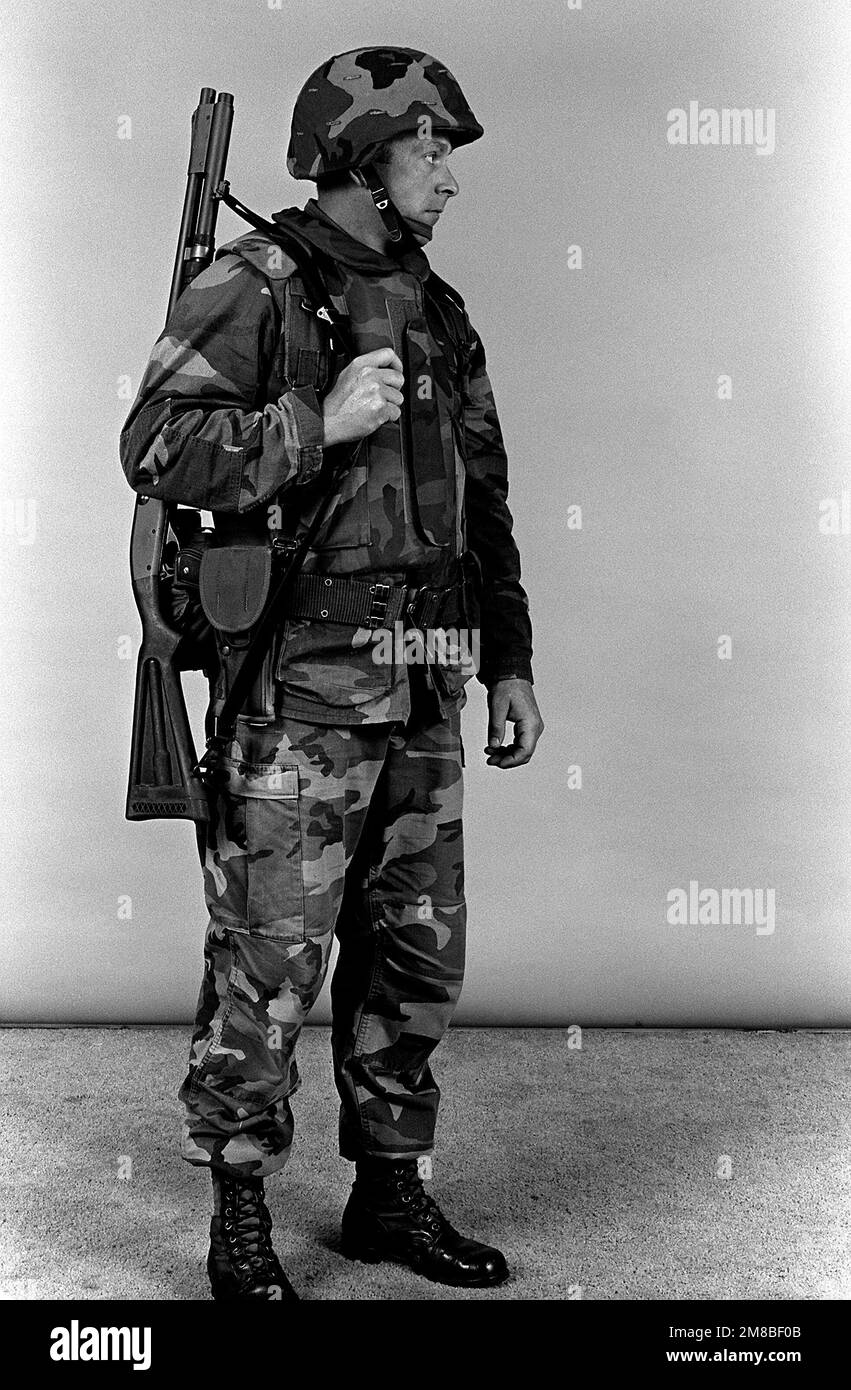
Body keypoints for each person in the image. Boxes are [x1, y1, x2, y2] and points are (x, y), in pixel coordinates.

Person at [120, 45, 544, 1301]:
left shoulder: (436, 304)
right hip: (302, 692)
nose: (446, 179)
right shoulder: (254, 282)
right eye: (427, 150)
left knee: (413, 955)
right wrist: (316, 426)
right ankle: (238, 1212)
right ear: (361, 153)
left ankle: (387, 1196)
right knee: (269, 962)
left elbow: (483, 497)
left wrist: (508, 656)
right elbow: (153, 444)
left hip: (423, 678)